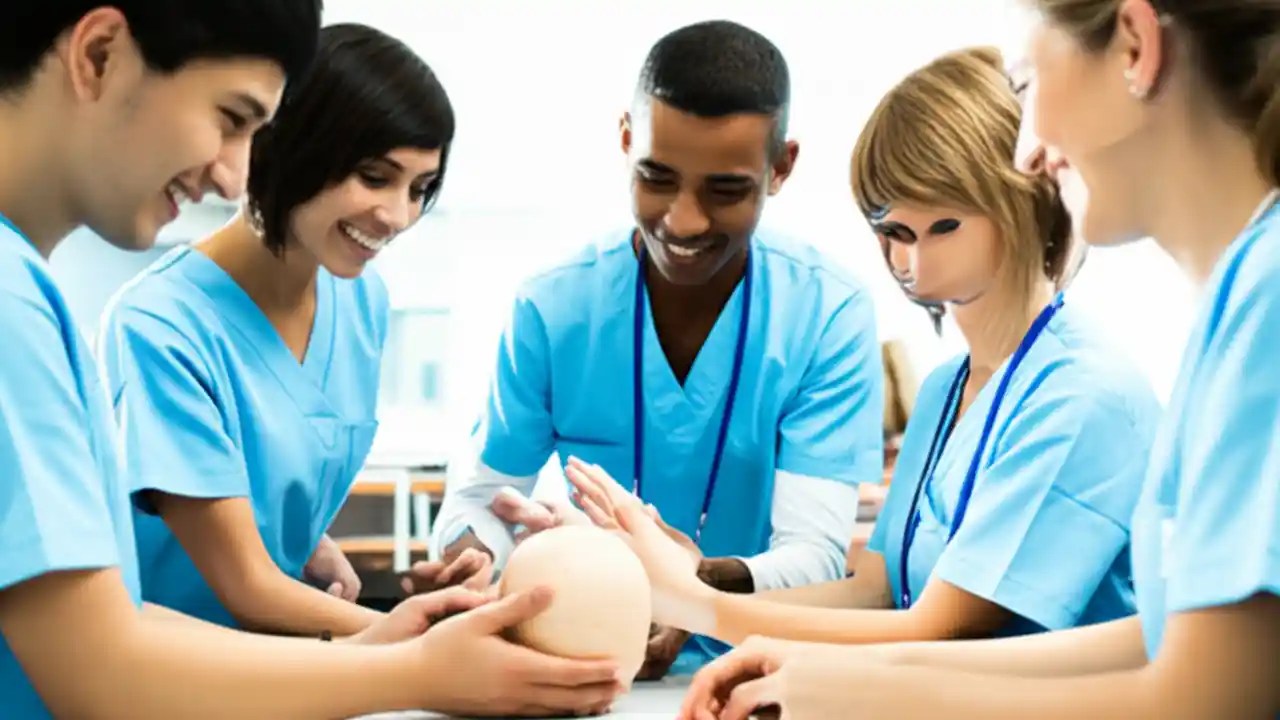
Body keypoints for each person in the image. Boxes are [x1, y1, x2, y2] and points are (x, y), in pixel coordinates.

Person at [0, 4, 625, 718]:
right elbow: (102, 671)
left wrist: (388, 649)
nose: (235, 176)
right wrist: (417, 668)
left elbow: (118, 621)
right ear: (101, 54)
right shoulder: (40, 309)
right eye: (231, 119)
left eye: (420, 189)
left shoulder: (27, 294)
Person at [672, 1, 1280, 718]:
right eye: (893, 228)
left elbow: (1208, 696)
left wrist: (847, 676)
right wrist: (826, 663)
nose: (1026, 156)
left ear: (1137, 46)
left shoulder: (1236, 315)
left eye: (1023, 86)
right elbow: (1158, 642)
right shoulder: (1242, 297)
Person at [566, 45, 1162, 650]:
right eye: (891, 230)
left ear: (1022, 199)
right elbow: (875, 591)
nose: (908, 259)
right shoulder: (946, 390)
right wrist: (706, 580)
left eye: (942, 225)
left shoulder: (1082, 396)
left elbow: (935, 627)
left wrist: (694, 605)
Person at [431, 18, 886, 678]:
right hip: (588, 660)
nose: (684, 219)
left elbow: (813, 554)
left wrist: (687, 588)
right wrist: (476, 554)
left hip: (756, 667)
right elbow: (481, 499)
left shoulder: (827, 315)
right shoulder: (552, 309)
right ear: (624, 140)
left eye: (725, 189)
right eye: (657, 176)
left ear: (781, 168)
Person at [96, 21, 491, 641]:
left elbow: (246, 482)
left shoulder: (362, 299)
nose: (397, 215)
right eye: (374, 176)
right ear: (291, 146)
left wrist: (306, 541)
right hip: (171, 674)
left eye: (419, 189)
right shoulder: (158, 325)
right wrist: (422, 638)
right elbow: (246, 585)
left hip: (285, 662)